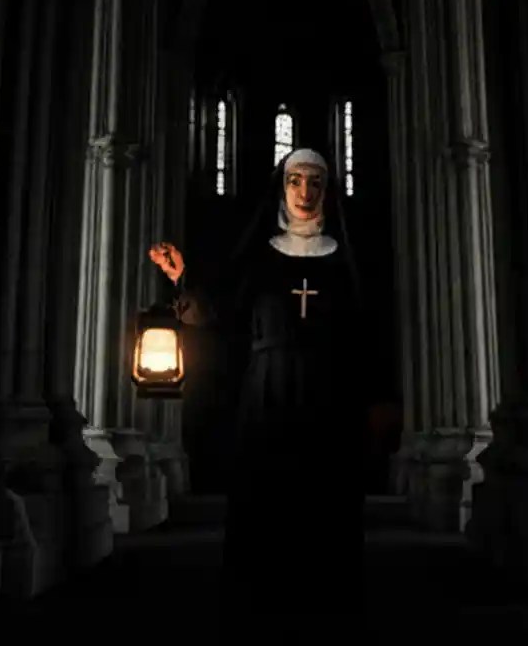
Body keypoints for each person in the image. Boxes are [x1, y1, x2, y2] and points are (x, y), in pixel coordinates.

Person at [148, 148, 369, 618]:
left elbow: (360, 331)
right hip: (267, 391)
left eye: (314, 182)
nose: (305, 192)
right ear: (283, 188)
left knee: (322, 495)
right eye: (295, 181)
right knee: (267, 491)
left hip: (326, 393)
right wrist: (182, 276)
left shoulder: (343, 259)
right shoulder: (261, 257)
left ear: (326, 190)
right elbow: (224, 316)